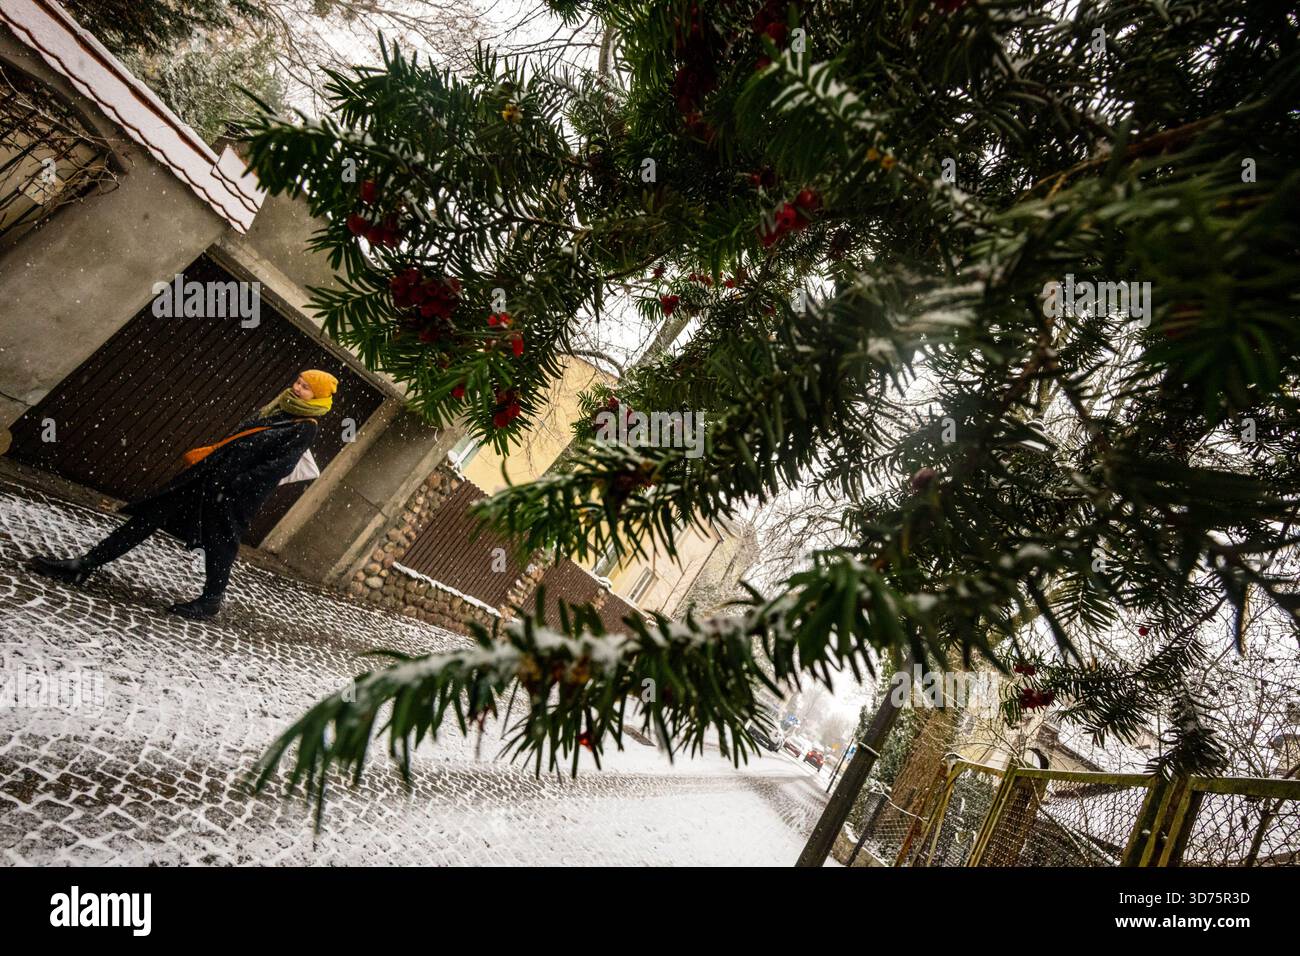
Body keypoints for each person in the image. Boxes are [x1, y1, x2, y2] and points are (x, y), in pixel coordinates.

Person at [28, 370, 338, 619]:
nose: (297, 388)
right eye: (298, 381)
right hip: (204, 478)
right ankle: (85, 565)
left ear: (318, 397)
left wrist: (234, 484)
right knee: (147, 517)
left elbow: (276, 468)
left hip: (233, 494)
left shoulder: (305, 426)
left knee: (221, 545)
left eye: (306, 388)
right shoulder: (276, 407)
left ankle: (210, 601)